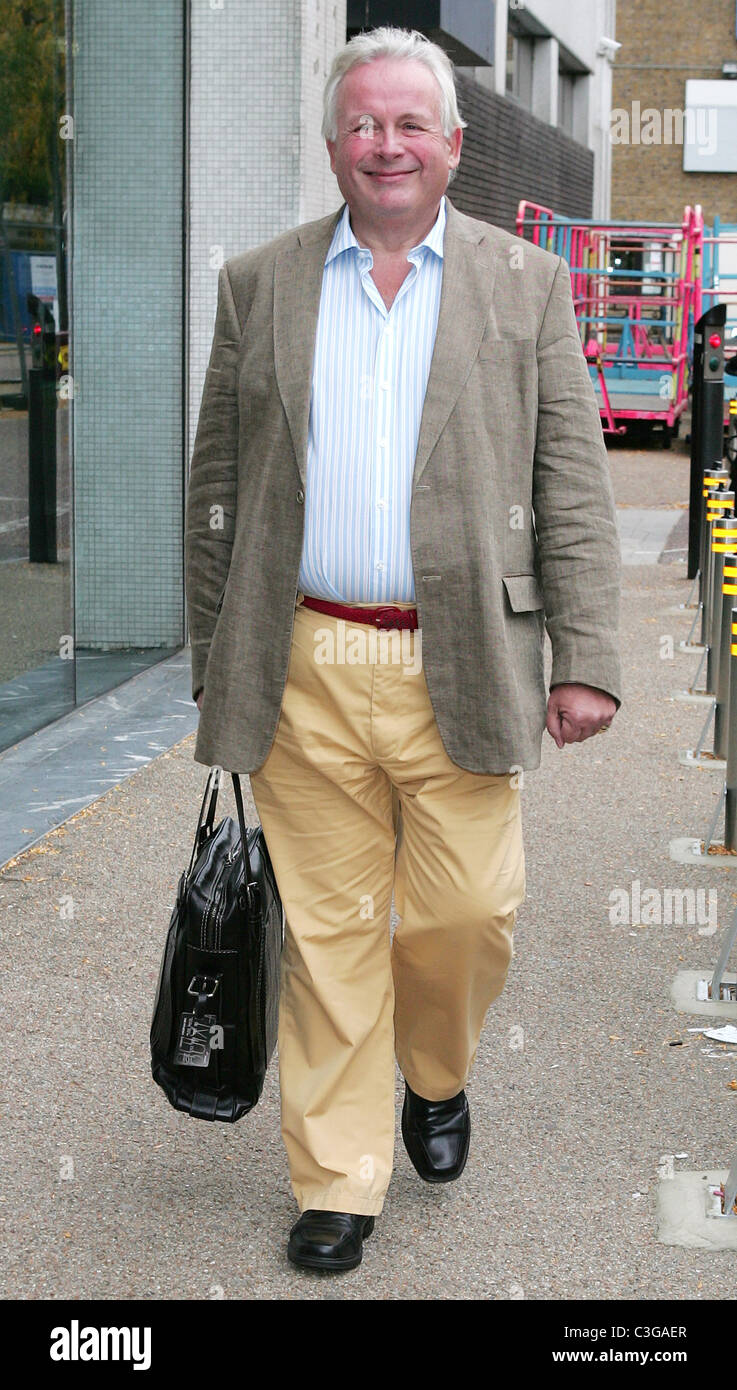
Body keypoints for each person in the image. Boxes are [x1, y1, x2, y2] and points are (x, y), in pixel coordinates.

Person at [184, 24, 621, 1274]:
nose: (385, 144)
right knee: (326, 937)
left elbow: (573, 483)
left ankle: (435, 1072)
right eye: (363, 124)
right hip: (306, 661)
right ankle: (337, 1178)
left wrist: (585, 653)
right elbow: (218, 482)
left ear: (452, 145)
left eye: (408, 124)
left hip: (462, 661)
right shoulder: (259, 282)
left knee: (465, 915)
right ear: (333, 144)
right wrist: (217, 651)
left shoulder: (521, 283)